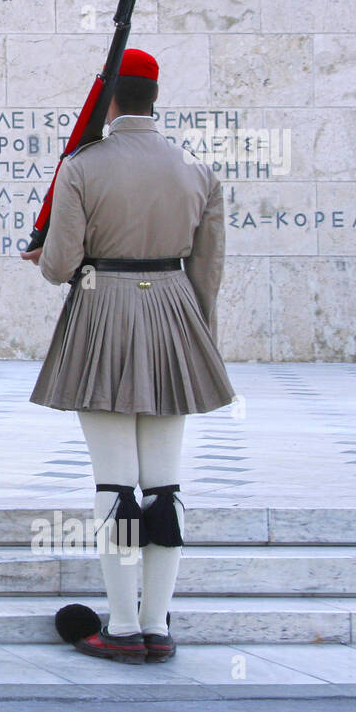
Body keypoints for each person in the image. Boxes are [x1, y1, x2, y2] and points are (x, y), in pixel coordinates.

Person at [25, 48, 234, 664]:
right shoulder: (196, 169)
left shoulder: (83, 166)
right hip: (175, 314)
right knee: (164, 485)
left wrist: (47, 258)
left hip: (105, 313)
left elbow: (60, 266)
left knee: (115, 483)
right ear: (155, 98)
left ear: (110, 102)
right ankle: (156, 625)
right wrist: (200, 344)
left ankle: (120, 627)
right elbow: (209, 272)